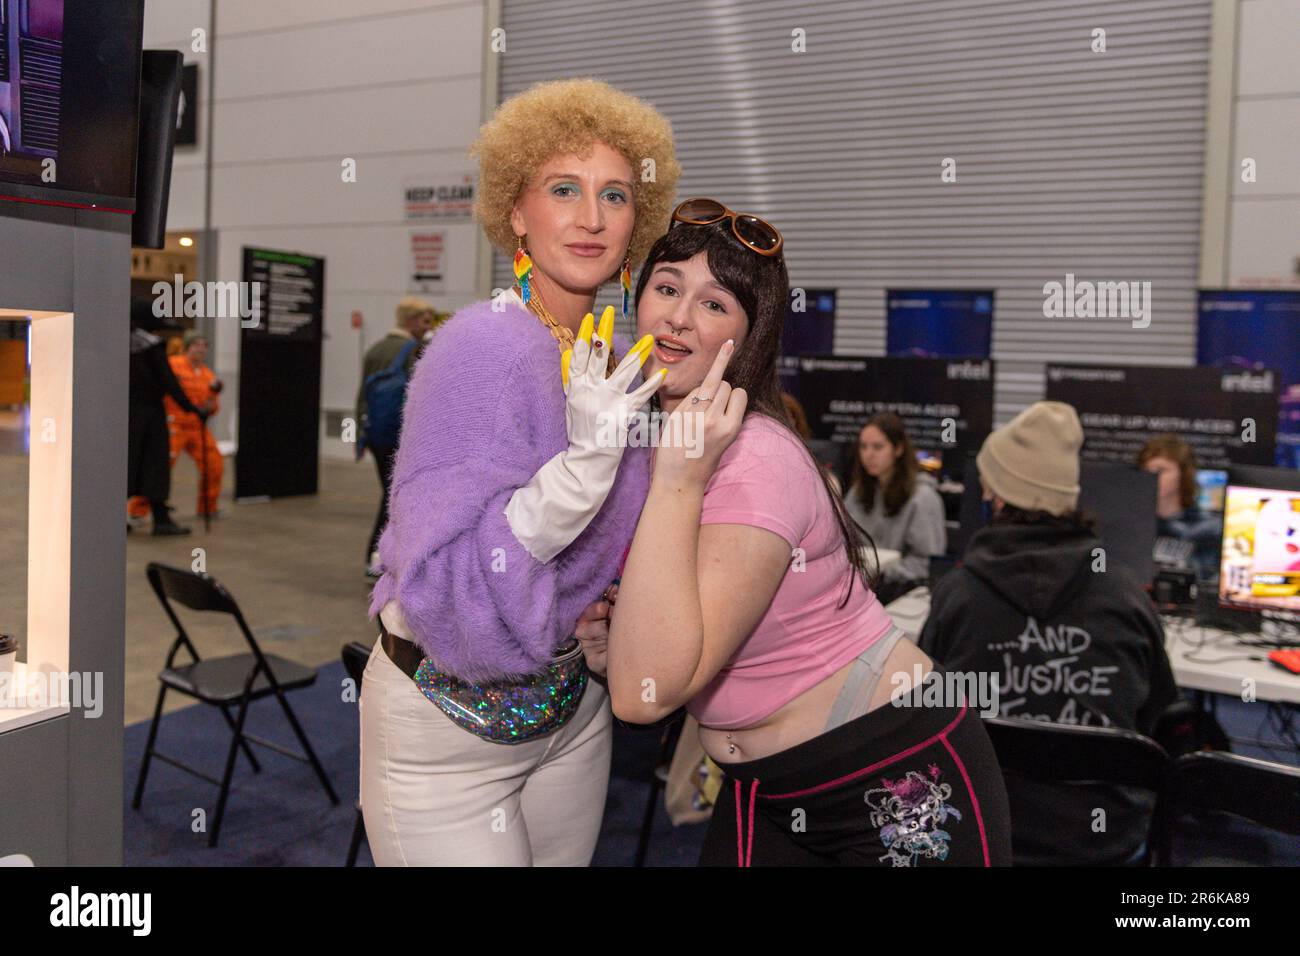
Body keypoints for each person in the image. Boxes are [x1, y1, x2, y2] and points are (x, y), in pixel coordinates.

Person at [585, 202, 1012, 867]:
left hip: (895, 768)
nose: (677, 316)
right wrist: (621, 640)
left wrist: (676, 482)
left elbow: (648, 698)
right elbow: (662, 657)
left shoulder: (754, 459)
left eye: (714, 304)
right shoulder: (658, 443)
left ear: (749, 337)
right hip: (766, 789)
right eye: (666, 288)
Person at [358, 78, 680, 866]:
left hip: (571, 713)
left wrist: (603, 599)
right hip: (449, 719)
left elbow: (600, 548)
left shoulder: (608, 361)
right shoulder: (484, 347)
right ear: (515, 212)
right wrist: (583, 469)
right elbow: (446, 582)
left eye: (616, 195)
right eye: (563, 189)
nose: (592, 217)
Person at [918, 401, 1180, 865]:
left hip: (983, 831)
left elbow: (924, 714)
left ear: (995, 495)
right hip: (1104, 842)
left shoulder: (957, 596)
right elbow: (1159, 715)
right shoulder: (1126, 597)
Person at [355, 296, 441, 578]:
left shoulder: (375, 349)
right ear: (412, 320)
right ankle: (380, 558)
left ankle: (378, 556)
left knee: (389, 495)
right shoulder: (414, 350)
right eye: (425, 320)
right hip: (401, 436)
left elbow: (363, 394)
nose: (428, 326)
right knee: (395, 499)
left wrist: (361, 435)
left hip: (378, 434)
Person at [127, 299, 210, 536]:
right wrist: (192, 408)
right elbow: (168, 382)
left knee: (127, 465)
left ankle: (117, 517)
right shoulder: (151, 346)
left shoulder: (119, 342)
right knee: (155, 465)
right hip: (151, 415)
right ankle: (161, 520)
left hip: (123, 415)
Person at [844, 413, 947, 603]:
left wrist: (880, 573)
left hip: (900, 594)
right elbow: (842, 542)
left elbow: (926, 563)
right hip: (859, 589)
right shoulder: (857, 493)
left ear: (898, 449)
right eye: (863, 447)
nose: (868, 454)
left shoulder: (923, 498)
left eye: (878, 447)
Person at [1137, 433, 1222, 582]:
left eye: (1161, 470)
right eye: (1147, 470)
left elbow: (1210, 584)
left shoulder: (1210, 529)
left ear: (1184, 474)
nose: (1152, 476)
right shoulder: (1132, 524)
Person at [164, 330, 224, 518]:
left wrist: (213, 397)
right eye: (196, 344)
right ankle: (138, 511)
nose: (201, 349)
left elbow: (212, 407)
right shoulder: (173, 365)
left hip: (197, 427)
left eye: (204, 346)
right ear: (187, 346)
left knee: (215, 464)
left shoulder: (208, 375)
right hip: (174, 424)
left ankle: (207, 507)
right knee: (161, 467)